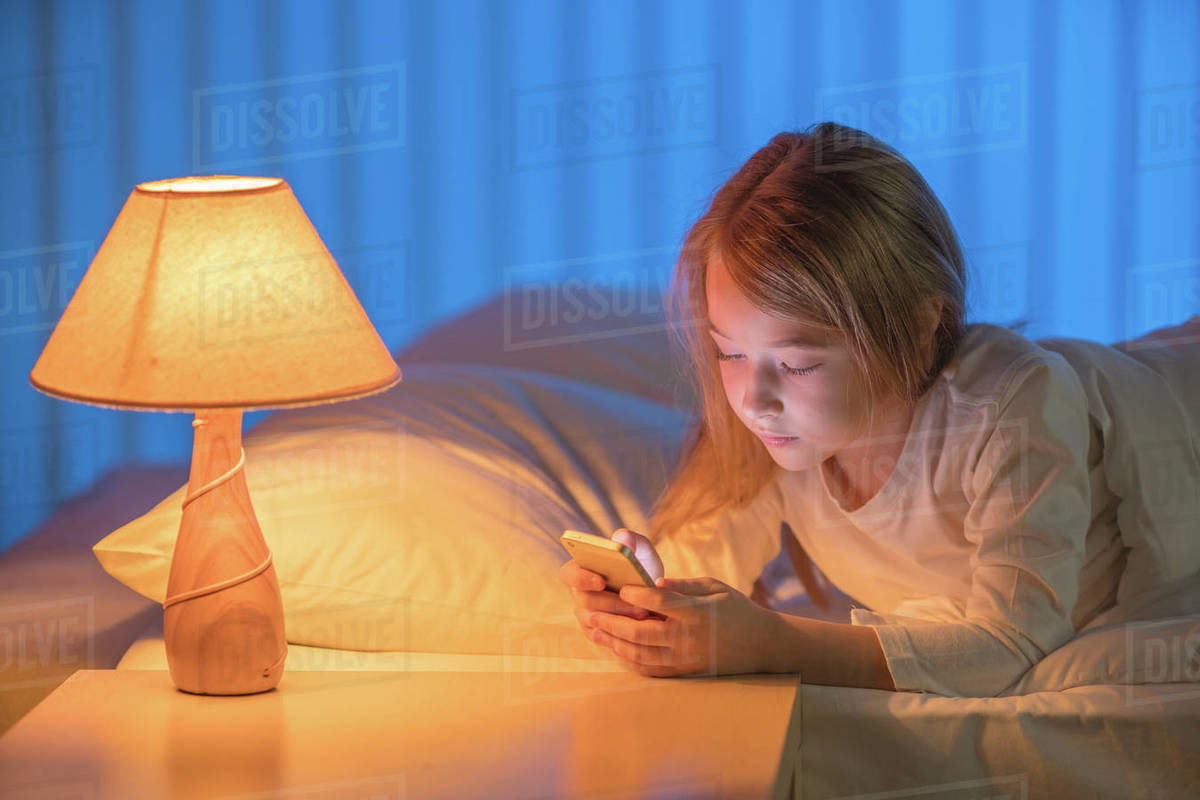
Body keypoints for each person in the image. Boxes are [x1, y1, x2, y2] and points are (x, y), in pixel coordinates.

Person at [559, 121, 1200, 697]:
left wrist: (771, 643)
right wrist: (644, 596)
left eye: (799, 362)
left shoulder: (1010, 407)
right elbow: (702, 565)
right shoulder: (778, 432)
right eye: (729, 354)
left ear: (921, 329)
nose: (754, 400)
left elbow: (1012, 642)